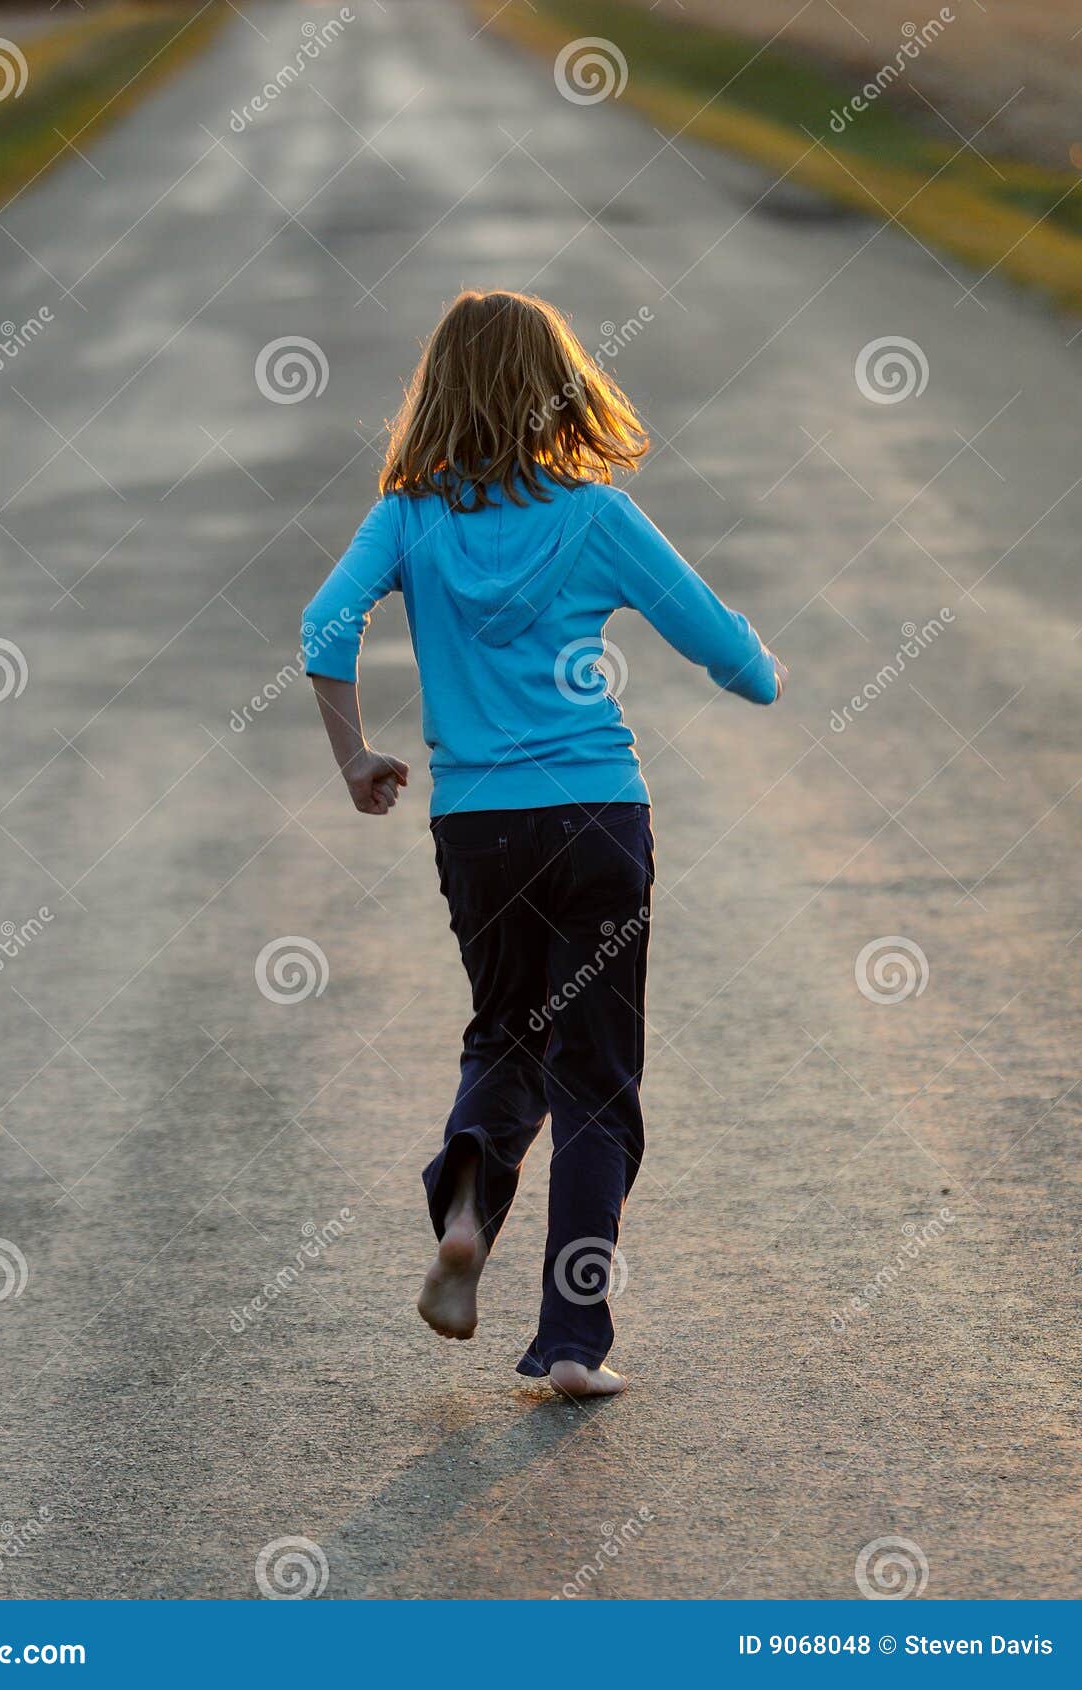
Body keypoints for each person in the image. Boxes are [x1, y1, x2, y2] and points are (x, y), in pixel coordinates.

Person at [302, 290, 786, 1399]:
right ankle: (572, 1341)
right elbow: (719, 645)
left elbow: (323, 625)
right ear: (559, 390)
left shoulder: (407, 518)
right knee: (596, 1083)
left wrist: (355, 757)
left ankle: (467, 1210)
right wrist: (760, 671)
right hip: (596, 818)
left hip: (477, 826)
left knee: (506, 1034)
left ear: (437, 393)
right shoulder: (595, 513)